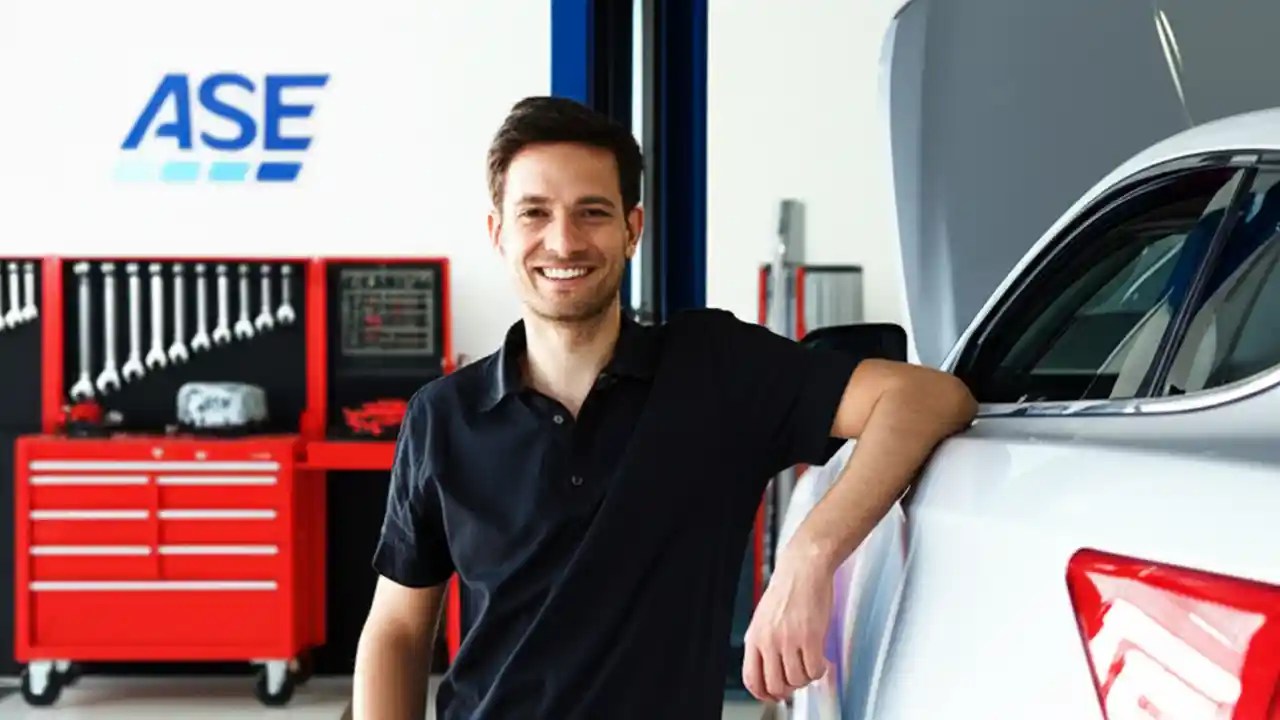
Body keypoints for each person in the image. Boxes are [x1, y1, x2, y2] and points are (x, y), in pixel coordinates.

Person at [351, 96, 977, 719]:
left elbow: (927, 397)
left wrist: (811, 554)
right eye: (534, 213)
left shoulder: (716, 370)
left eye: (591, 212)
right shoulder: (442, 418)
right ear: (498, 232)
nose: (563, 240)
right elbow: (399, 630)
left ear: (632, 229)